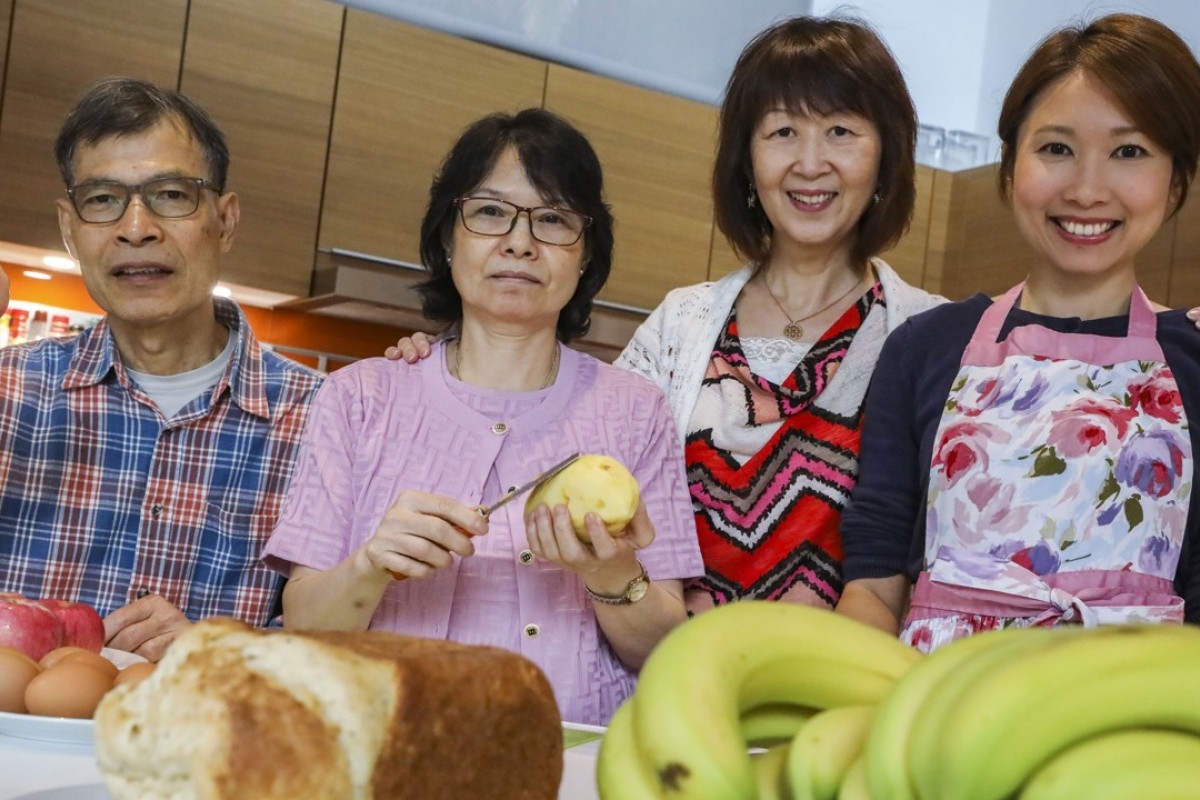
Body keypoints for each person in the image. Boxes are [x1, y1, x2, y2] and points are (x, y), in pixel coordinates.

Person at [388, 17, 943, 614]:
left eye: (840, 131)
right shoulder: (683, 322)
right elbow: (573, 444)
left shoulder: (928, 338)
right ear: (746, 161)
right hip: (670, 675)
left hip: (836, 685)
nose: (810, 163)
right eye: (782, 131)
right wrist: (447, 364)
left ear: (886, 157)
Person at [262, 108, 702, 726]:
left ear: (585, 257)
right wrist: (370, 566)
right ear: (449, 237)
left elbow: (665, 654)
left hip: (567, 772)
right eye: (490, 212)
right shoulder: (359, 398)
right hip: (387, 761)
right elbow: (302, 631)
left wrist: (612, 572)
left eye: (552, 220)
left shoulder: (635, 412)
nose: (520, 242)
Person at [837, 13, 1200, 650]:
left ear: (1175, 181)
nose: (1087, 189)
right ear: (1009, 168)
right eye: (1056, 148)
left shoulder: (1195, 362)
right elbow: (874, 580)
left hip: (1127, 729)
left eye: (1129, 151)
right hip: (937, 718)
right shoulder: (923, 347)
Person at [0, 78, 324, 661]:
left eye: (171, 195)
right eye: (102, 199)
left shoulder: (324, 417)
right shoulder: (9, 390)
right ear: (69, 227)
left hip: (210, 747)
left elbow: (347, 640)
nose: (136, 227)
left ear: (225, 220)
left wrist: (224, 651)